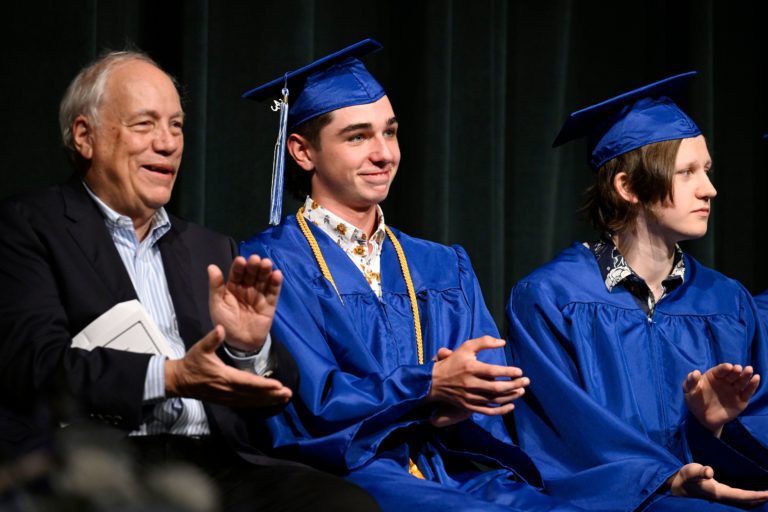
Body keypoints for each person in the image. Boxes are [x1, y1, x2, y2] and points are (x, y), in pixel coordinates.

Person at [0, 50, 379, 511]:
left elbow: (279, 395)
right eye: (145, 124)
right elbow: (36, 368)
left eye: (176, 126)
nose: (167, 143)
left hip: (217, 461)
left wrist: (246, 350)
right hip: (101, 460)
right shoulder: (28, 226)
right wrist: (171, 376)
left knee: (342, 504)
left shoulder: (211, 248)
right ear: (85, 137)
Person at [240, 39, 584, 511]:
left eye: (391, 132)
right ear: (301, 151)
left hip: (455, 467)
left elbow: (486, 399)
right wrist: (429, 386)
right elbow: (311, 405)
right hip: (350, 475)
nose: (384, 154)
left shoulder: (442, 265)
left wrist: (466, 404)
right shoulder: (271, 264)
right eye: (358, 136)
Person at [506, 72, 768, 511]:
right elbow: (563, 437)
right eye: (686, 173)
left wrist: (713, 429)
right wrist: (663, 479)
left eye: (706, 170)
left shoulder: (727, 301)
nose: (710, 189)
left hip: (719, 491)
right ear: (627, 187)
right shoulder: (552, 298)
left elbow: (759, 421)